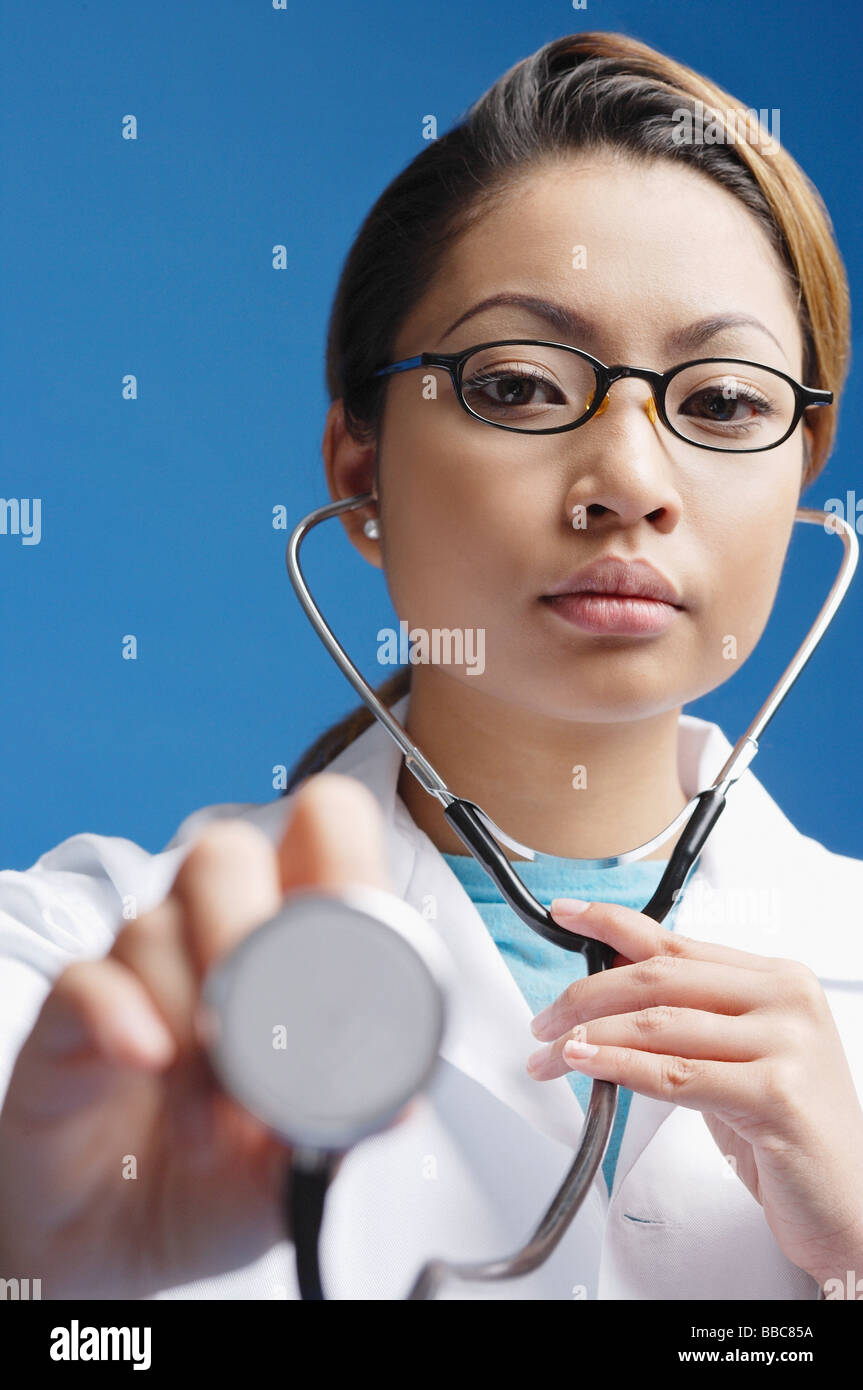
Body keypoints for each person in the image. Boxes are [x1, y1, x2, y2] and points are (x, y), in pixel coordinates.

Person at [1, 30, 862, 1302]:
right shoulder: (62, 978)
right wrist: (47, 1292)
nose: (628, 481)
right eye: (516, 385)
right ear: (359, 472)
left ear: (801, 466)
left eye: (721, 403)